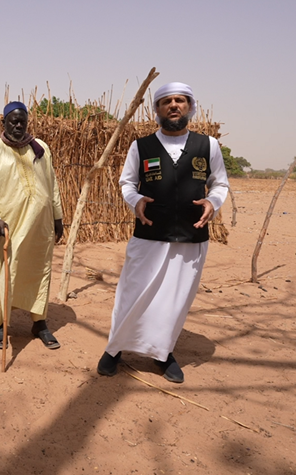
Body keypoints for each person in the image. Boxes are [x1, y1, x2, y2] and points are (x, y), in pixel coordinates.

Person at [97, 82, 229, 383]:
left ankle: (162, 353)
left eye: (180, 100)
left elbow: (220, 183)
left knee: (175, 299)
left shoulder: (208, 146)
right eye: (166, 101)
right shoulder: (141, 146)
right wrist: (136, 201)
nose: (174, 106)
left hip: (191, 237)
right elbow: (126, 184)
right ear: (156, 110)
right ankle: (114, 349)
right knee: (132, 293)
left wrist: (213, 202)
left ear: (190, 107)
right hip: (149, 234)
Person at [0, 101, 64, 350]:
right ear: (3, 122)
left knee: (40, 271)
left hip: (41, 225)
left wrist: (57, 216)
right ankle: (1, 325)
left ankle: (39, 322)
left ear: (27, 122)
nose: (17, 125)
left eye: (22, 121)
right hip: (9, 226)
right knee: (8, 272)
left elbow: (52, 183)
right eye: (13, 120)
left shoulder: (40, 148)